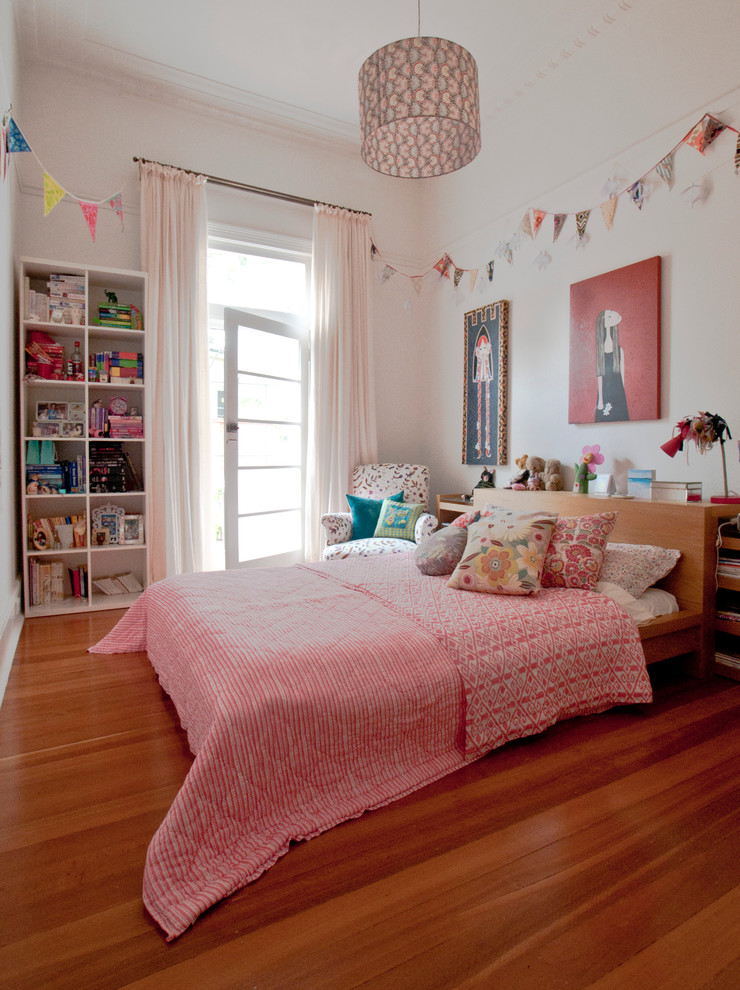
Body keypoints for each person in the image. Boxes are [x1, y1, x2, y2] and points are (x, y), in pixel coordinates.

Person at [595, 309, 629, 421]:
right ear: (603, 322)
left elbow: (622, 376)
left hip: (618, 393)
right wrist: (600, 400)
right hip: (606, 391)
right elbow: (600, 376)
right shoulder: (599, 353)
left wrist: (622, 396)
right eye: (609, 316)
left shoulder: (619, 350)